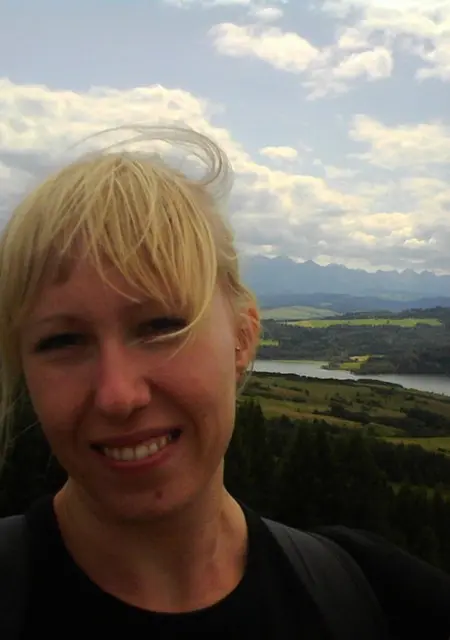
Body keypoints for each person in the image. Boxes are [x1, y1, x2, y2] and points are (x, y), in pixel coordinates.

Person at [0, 124, 449, 640]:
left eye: (161, 327)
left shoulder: (377, 600)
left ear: (242, 339)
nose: (118, 395)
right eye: (62, 341)